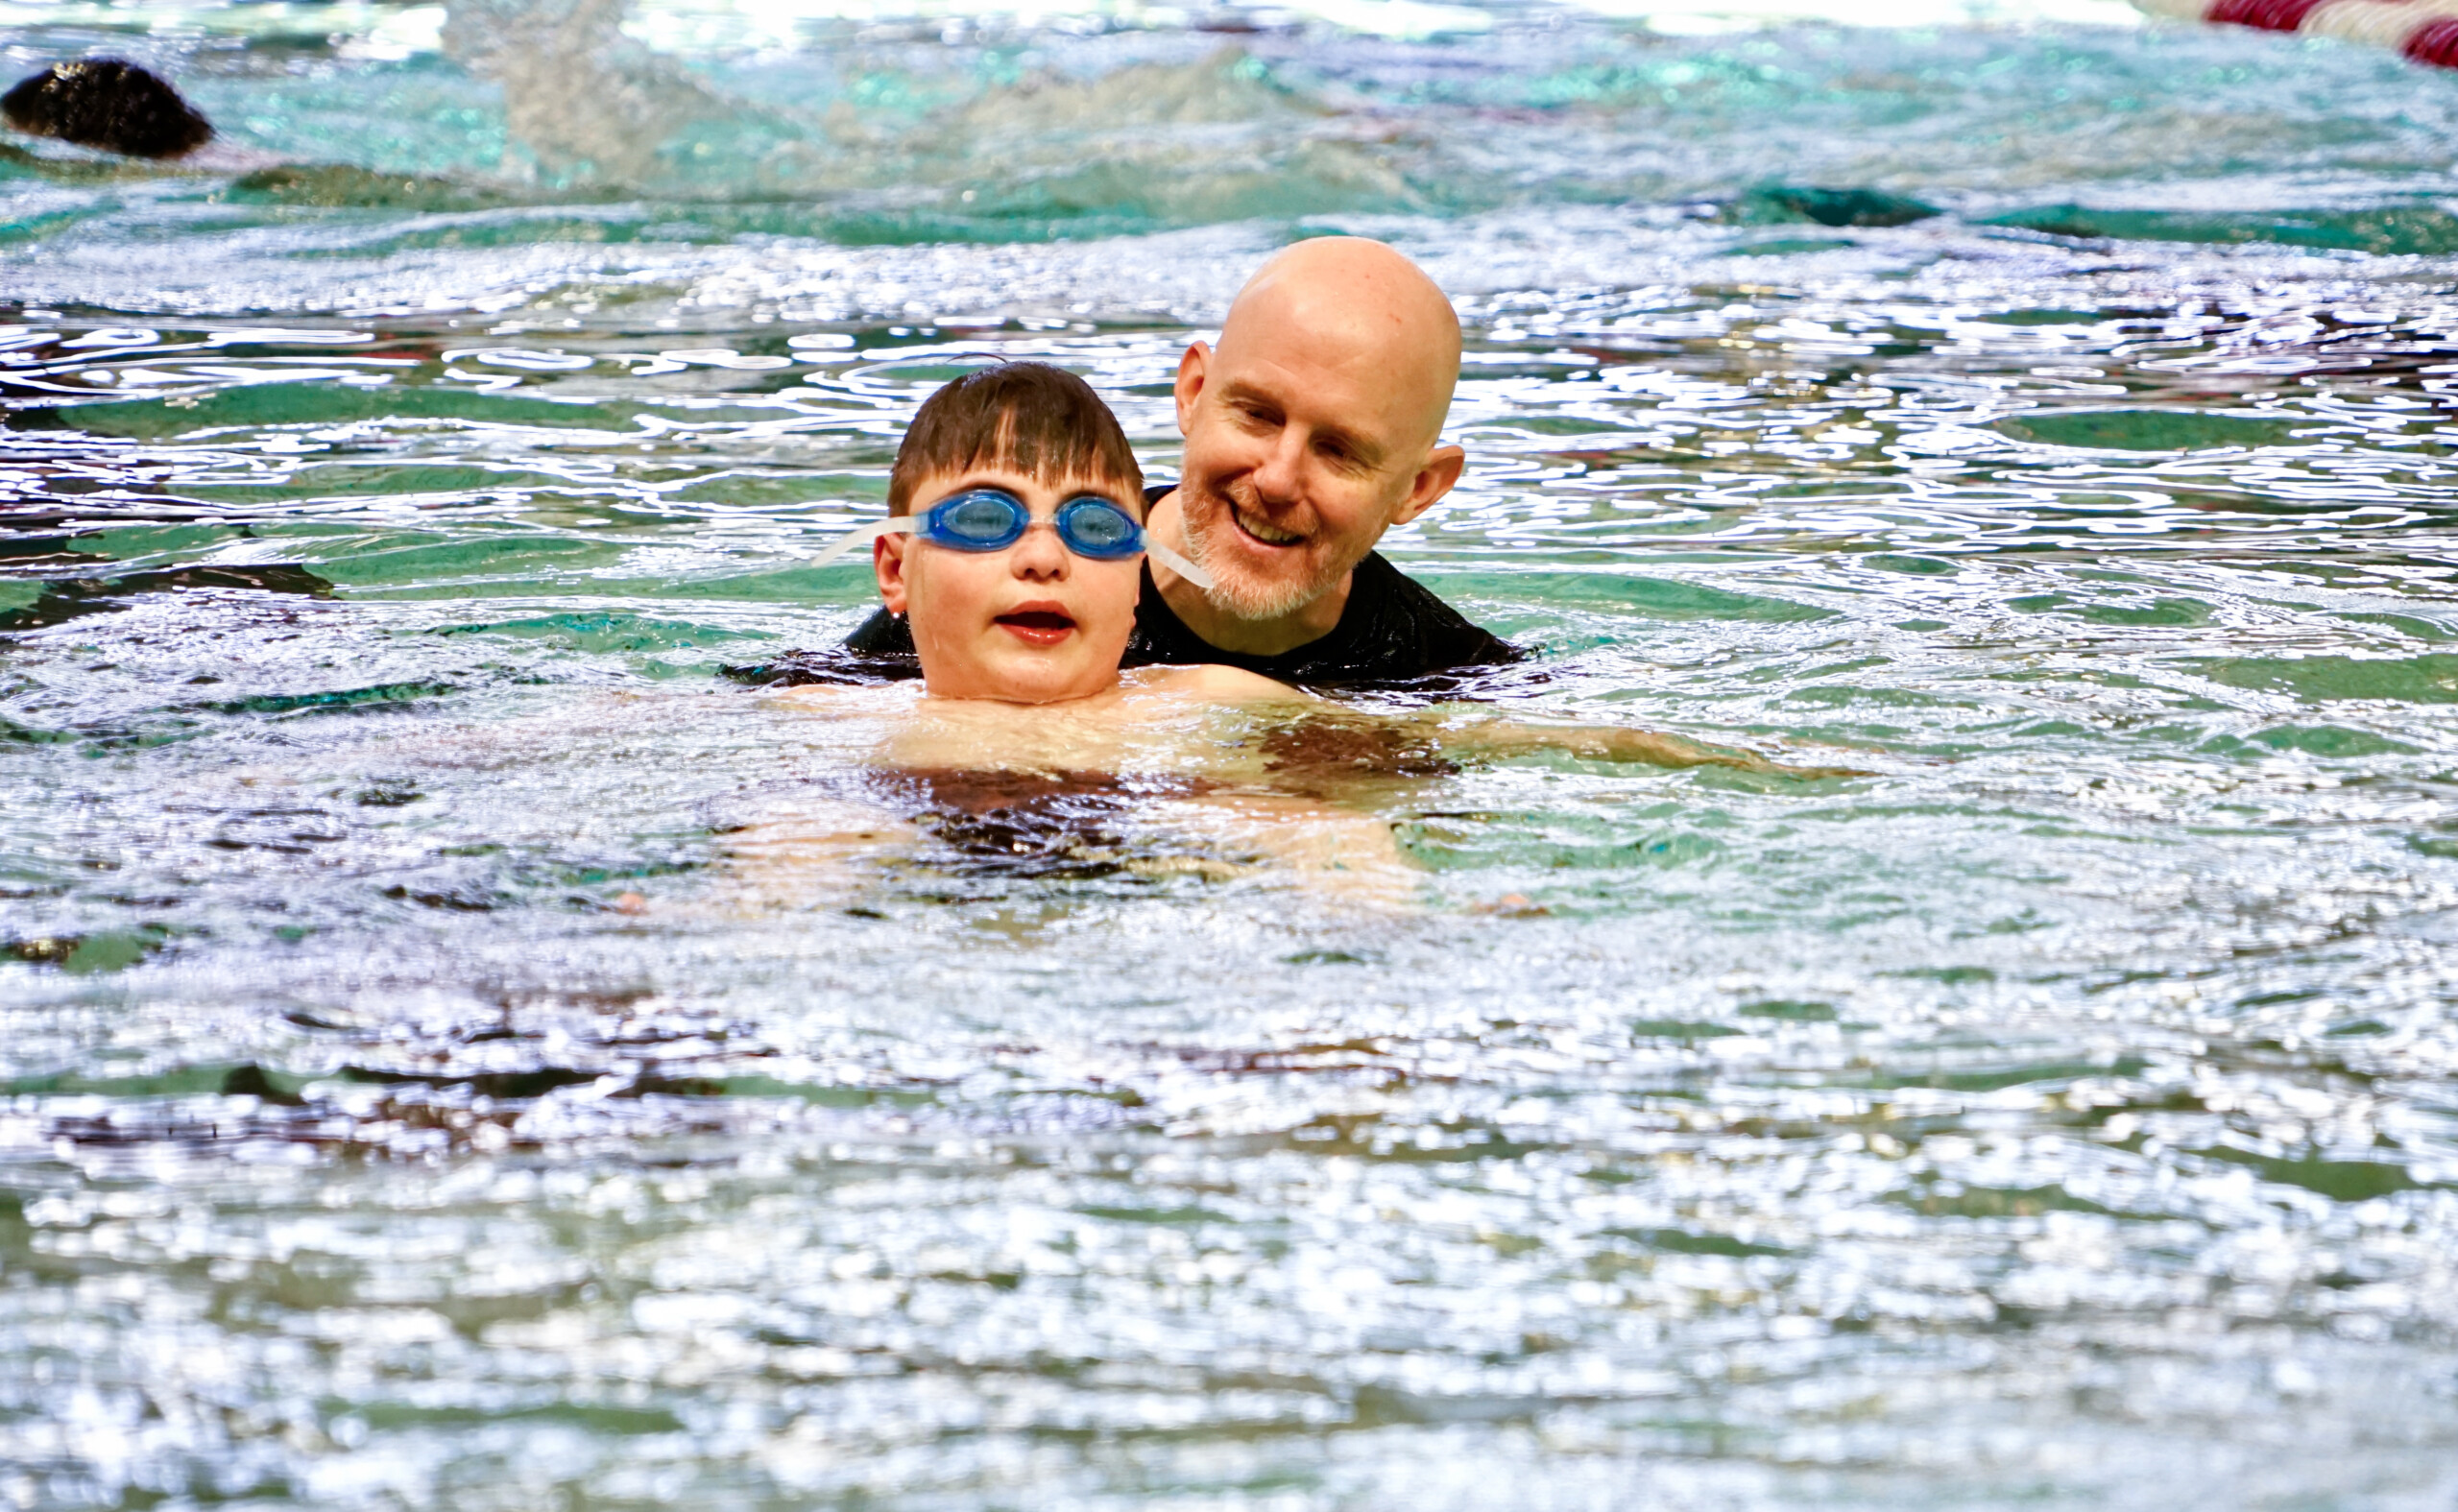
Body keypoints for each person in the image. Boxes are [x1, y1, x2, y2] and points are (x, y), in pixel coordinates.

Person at [717, 361, 1861, 909]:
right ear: (895, 572)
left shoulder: (1197, 700)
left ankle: (1411, 971)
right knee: (787, 843)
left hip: (1159, 864)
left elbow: (1499, 735)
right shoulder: (828, 715)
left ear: (1137, 582)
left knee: (1328, 835)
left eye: (1093, 530)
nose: (1043, 557)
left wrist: (1750, 757)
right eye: (984, 521)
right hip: (883, 855)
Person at [740, 237, 1523, 693]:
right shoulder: (1012, 585)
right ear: (1193, 393)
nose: (1278, 479)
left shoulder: (1446, 681)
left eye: (1339, 450)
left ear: (1418, 488)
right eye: (1256, 414)